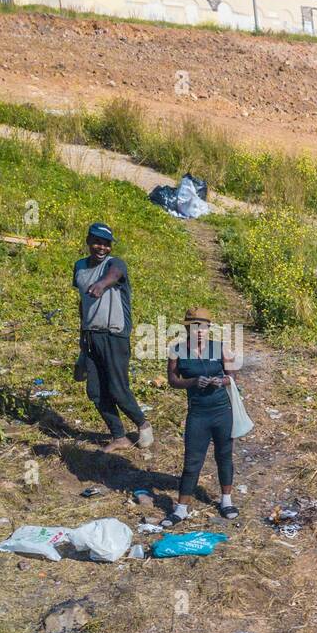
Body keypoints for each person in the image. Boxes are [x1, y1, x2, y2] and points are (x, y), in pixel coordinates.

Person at [73, 223, 152, 453]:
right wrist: (82, 337)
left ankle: (142, 424)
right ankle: (119, 436)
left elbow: (114, 275)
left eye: (106, 244)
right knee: (95, 391)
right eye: (97, 242)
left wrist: (102, 284)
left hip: (114, 335)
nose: (101, 247)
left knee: (117, 388)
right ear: (88, 241)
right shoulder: (79, 267)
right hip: (90, 335)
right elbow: (83, 302)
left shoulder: (115, 265)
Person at [162, 308, 238, 524]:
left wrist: (219, 381)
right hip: (198, 413)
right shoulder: (176, 350)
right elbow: (173, 380)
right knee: (192, 460)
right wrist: (193, 382)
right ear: (187, 328)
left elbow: (232, 376)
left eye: (203, 327)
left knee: (224, 455)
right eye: (195, 327)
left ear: (208, 328)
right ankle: (181, 508)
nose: (199, 331)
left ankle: (226, 500)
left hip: (222, 411)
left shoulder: (220, 348)